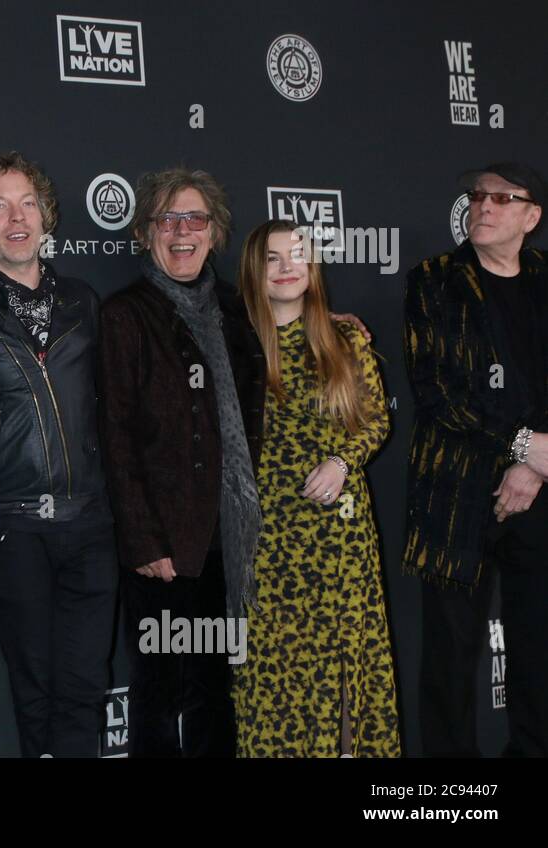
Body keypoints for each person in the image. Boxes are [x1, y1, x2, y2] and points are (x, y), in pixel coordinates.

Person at [0, 152, 115, 757]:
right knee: (35, 685)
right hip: (13, 530)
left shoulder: (84, 301)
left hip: (90, 525)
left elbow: (107, 406)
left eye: (28, 202)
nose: (17, 217)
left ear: (46, 217)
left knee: (85, 686)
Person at [97, 167, 264, 757]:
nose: (183, 231)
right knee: (159, 691)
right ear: (146, 233)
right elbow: (114, 434)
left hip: (226, 538)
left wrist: (338, 325)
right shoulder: (126, 315)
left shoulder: (237, 310)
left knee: (215, 690)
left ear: (215, 233)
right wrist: (144, 541)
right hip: (164, 547)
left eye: (196, 218)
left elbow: (296, 334)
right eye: (169, 219)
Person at [231, 219, 399, 757]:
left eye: (296, 256)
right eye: (273, 259)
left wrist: (342, 462)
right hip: (268, 539)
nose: (286, 268)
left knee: (345, 663)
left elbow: (374, 421)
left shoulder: (344, 337)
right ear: (255, 271)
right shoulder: (236, 344)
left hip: (341, 538)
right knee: (274, 668)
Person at [404, 162, 548, 757]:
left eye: (502, 198)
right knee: (450, 659)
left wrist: (533, 463)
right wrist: (522, 445)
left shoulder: (545, 278)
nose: (484, 207)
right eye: (478, 196)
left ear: (531, 216)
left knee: (538, 650)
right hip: (454, 497)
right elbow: (437, 389)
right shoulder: (432, 280)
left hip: (538, 490)